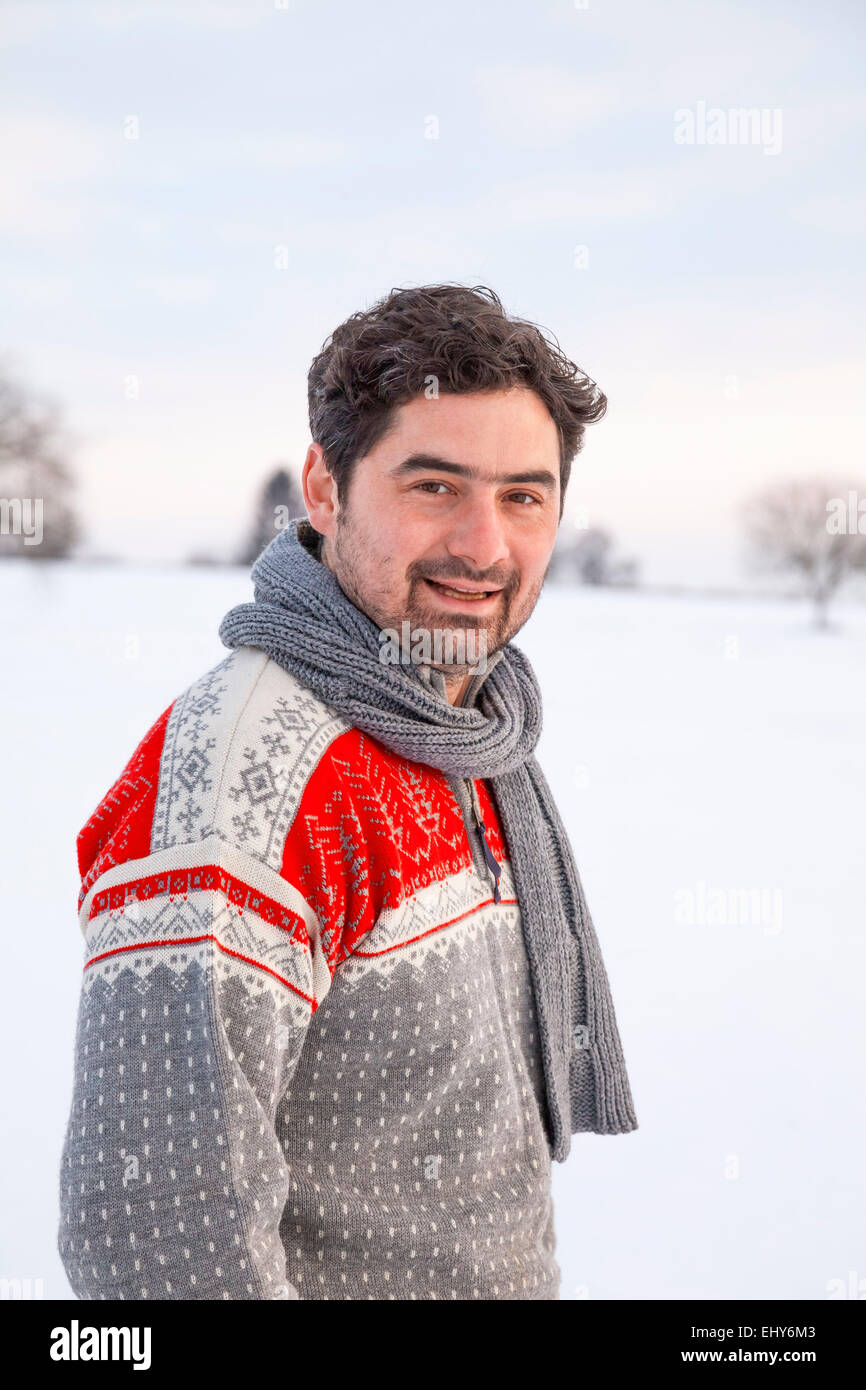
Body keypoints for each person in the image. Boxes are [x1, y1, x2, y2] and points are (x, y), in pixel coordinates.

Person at [57, 283, 638, 1301]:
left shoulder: (469, 733)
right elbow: (156, 1241)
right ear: (323, 490)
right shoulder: (248, 773)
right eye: (432, 486)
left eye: (521, 495)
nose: (483, 545)